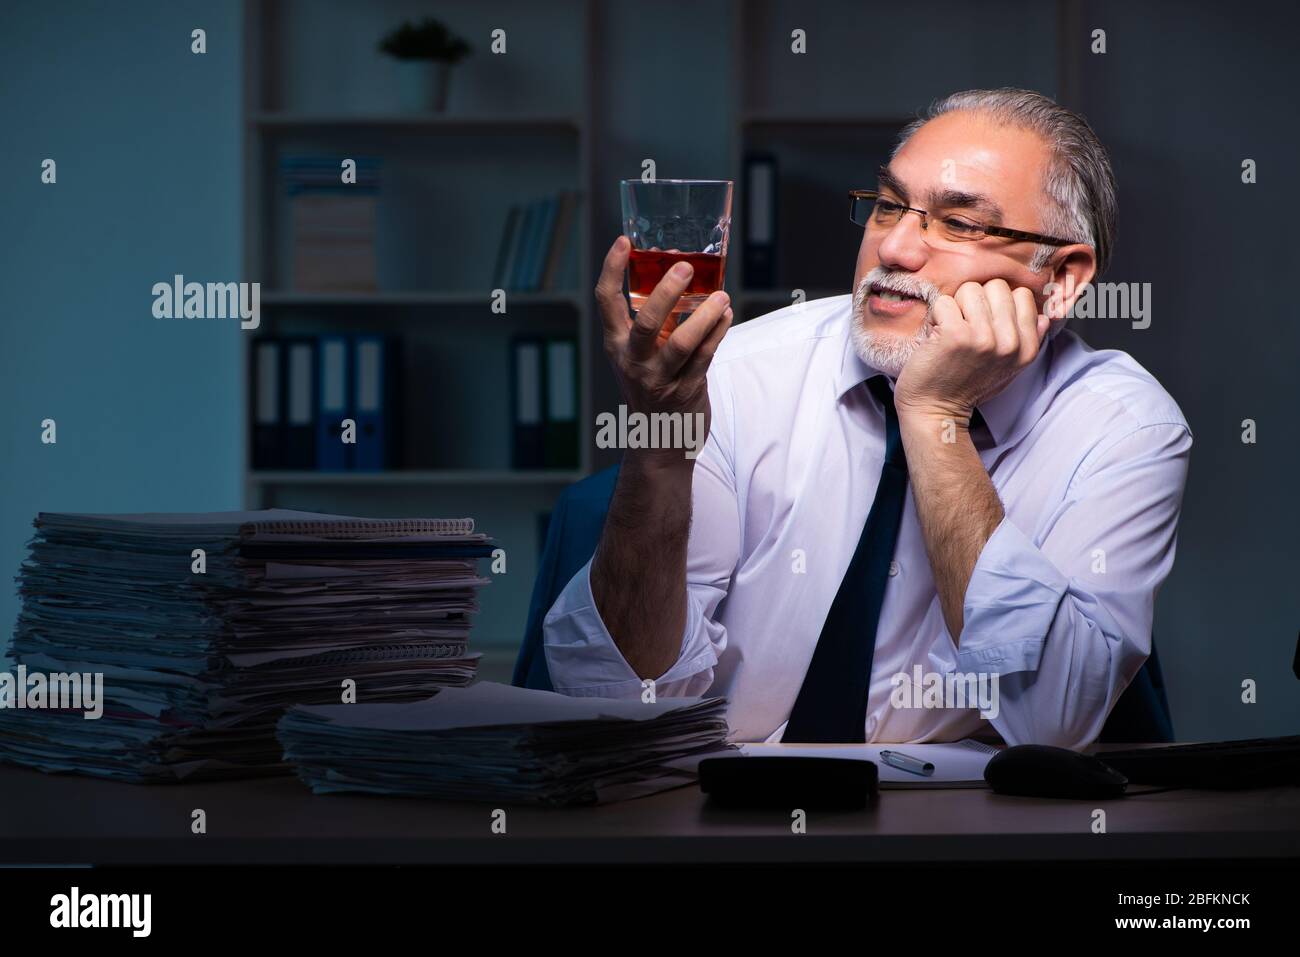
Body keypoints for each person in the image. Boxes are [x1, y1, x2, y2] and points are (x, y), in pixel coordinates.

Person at [543, 88, 1191, 749]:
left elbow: (1052, 719)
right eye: (888, 207)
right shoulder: (736, 370)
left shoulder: (1122, 428)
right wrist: (659, 445)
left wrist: (934, 414)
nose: (897, 249)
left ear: (1059, 279)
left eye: (959, 224)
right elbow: (619, 697)